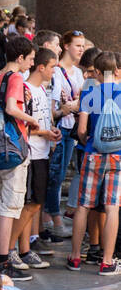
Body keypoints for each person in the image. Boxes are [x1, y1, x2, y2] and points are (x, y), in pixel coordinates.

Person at [0, 37, 41, 279]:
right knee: (8, 209)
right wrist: (32, 120)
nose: (31, 64)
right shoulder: (16, 77)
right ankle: (4, 260)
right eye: (30, 59)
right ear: (19, 58)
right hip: (14, 148)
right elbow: (10, 108)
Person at [68, 50, 121, 275]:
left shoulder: (90, 91)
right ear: (116, 70)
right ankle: (107, 261)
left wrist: (87, 140)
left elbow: (81, 129)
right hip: (118, 155)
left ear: (97, 72)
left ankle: (75, 257)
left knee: (83, 205)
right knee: (112, 208)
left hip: (93, 153)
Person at [8, 47, 60, 272]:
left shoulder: (42, 90)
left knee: (34, 204)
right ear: (41, 67)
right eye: (52, 67)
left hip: (42, 151)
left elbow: (43, 121)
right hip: (30, 152)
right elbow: (24, 127)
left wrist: (52, 132)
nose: (54, 72)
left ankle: (24, 249)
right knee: (30, 204)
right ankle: (10, 249)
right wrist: (44, 133)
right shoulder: (27, 88)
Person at [44, 30, 86, 238]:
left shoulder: (78, 73)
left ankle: (48, 216)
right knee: (56, 175)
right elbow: (52, 108)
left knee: (59, 175)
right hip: (59, 127)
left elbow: (82, 100)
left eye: (83, 46)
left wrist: (76, 105)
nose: (81, 49)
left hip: (73, 128)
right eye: (78, 45)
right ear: (67, 46)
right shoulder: (57, 71)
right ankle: (54, 217)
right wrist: (65, 109)